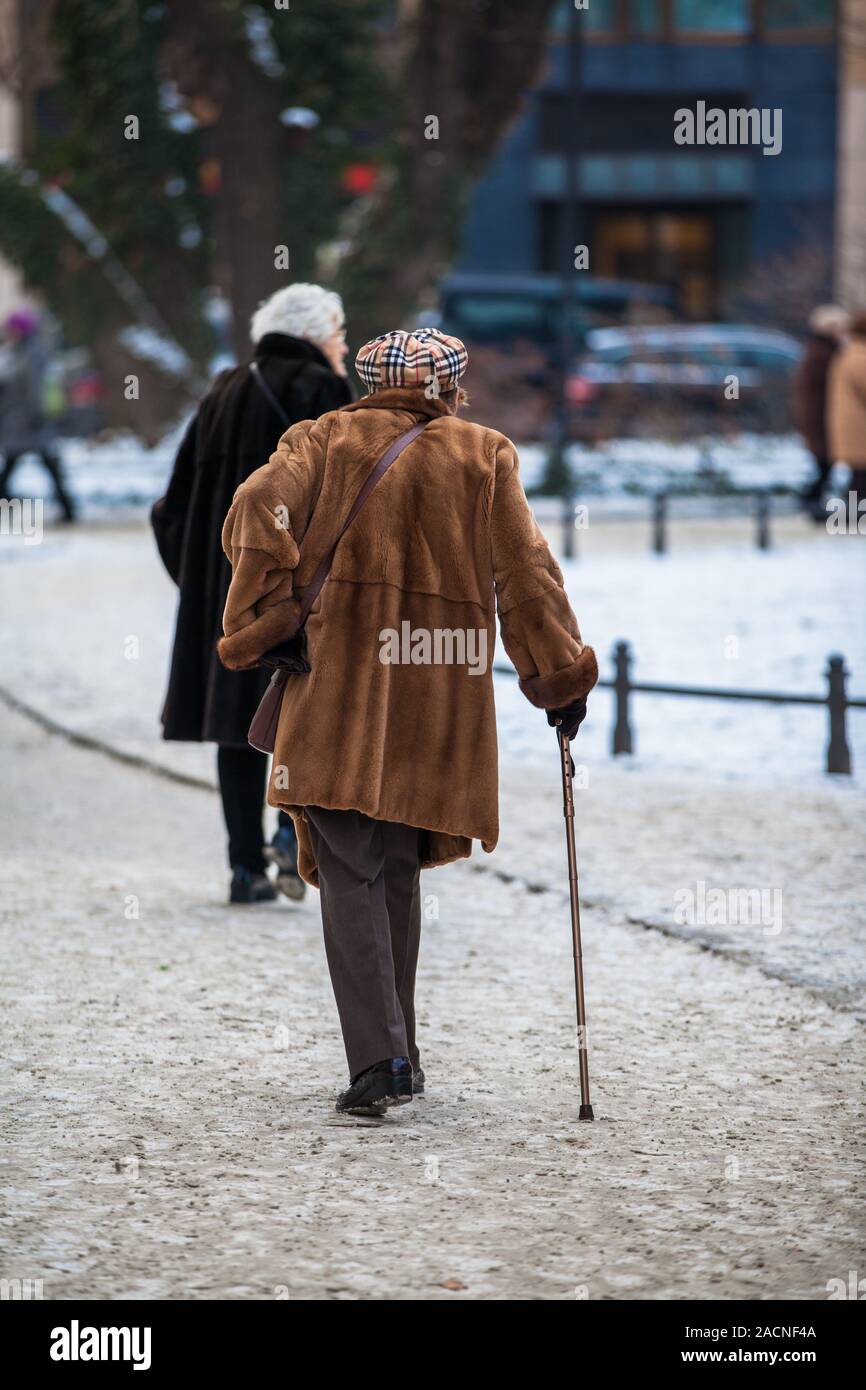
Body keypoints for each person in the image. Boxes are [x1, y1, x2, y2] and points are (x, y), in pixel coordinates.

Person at [219, 327, 597, 1114]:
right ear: (452, 389)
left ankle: (379, 1062)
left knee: (350, 868)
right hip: (439, 696)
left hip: (339, 691)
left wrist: (266, 614)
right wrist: (557, 679)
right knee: (392, 868)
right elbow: (528, 575)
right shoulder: (484, 454)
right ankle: (401, 1052)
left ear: (368, 381)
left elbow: (258, 506)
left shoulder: (323, 438)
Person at [151, 283, 352, 904]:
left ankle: (244, 869)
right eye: (340, 332)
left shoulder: (221, 390)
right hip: (299, 596)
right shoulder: (324, 393)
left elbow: (171, 508)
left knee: (235, 728)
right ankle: (290, 836)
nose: (344, 346)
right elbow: (339, 505)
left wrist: (204, 582)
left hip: (226, 594)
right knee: (305, 717)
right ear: (320, 335)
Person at [0, 309, 76, 522]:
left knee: (46, 465)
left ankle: (68, 509)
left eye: (13, 329)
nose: (9, 333)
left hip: (31, 422)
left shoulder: (32, 354)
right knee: (17, 465)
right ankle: (67, 508)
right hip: (17, 422)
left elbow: (36, 387)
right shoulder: (12, 352)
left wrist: (37, 414)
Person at [792, 305, 849, 521]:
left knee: (825, 464)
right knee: (825, 462)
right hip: (820, 417)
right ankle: (811, 500)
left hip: (818, 415)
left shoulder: (820, 350)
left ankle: (811, 499)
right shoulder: (823, 353)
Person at [827, 309, 866, 527]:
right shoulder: (860, 355)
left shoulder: (849, 352)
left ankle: (852, 514)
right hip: (859, 426)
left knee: (858, 474)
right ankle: (852, 515)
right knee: (860, 474)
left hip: (852, 424)